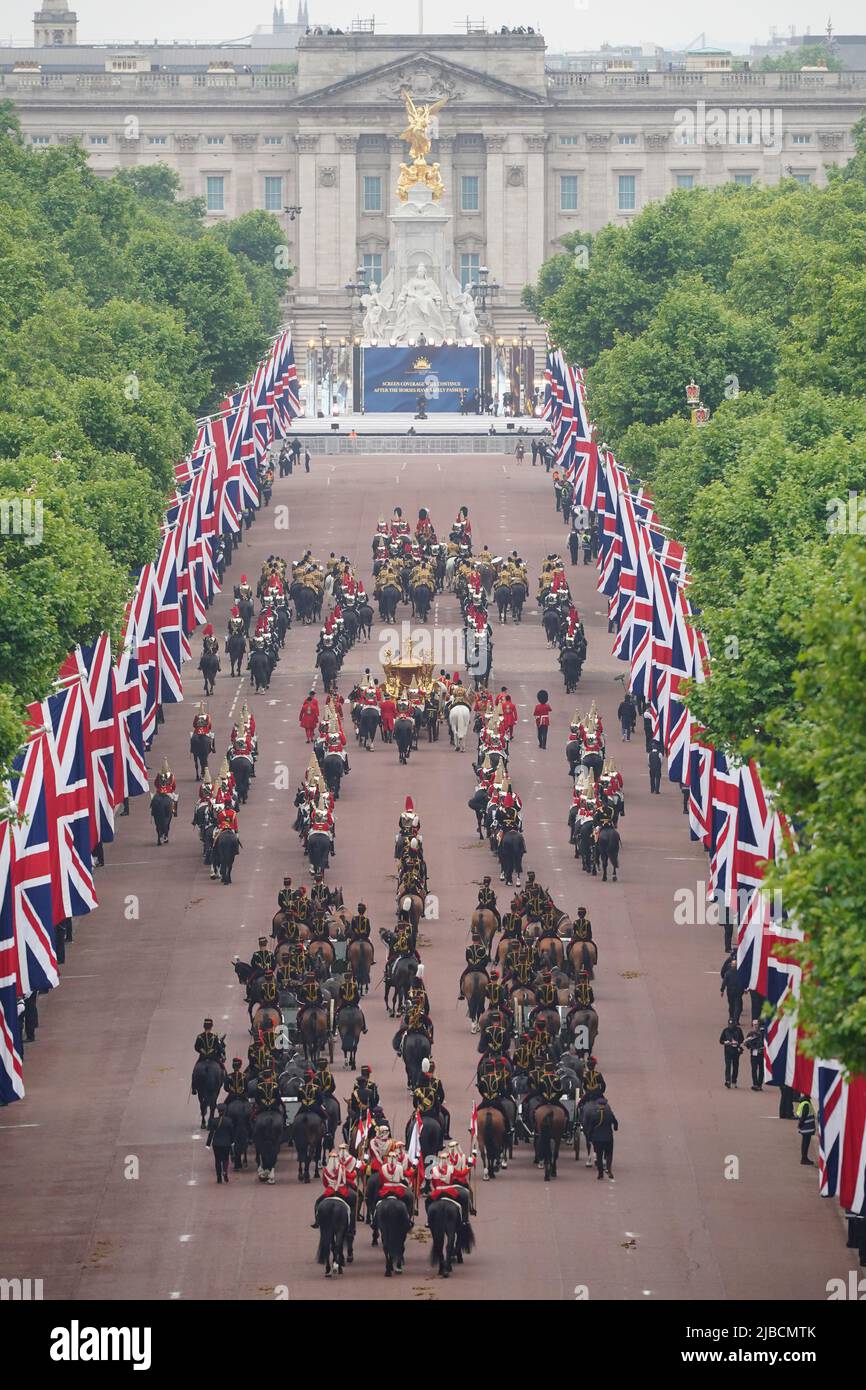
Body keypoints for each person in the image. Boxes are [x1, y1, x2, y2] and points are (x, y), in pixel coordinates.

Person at [582, 1094, 618, 1181]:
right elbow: (615, 1123)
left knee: (599, 1156)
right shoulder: (609, 1113)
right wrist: (615, 1128)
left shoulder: (594, 1114)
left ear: (598, 1104)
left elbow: (590, 1127)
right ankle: (608, 1169)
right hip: (608, 1137)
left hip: (597, 1138)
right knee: (609, 1154)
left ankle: (600, 1173)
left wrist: (589, 1137)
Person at [206, 1104, 235, 1184]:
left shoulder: (214, 1121)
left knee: (217, 1160)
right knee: (226, 1159)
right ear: (225, 1111)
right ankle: (225, 1171)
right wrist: (232, 1142)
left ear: (218, 1111)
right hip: (226, 1143)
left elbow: (211, 1133)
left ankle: (219, 1178)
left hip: (216, 1144)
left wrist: (208, 1144)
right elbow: (231, 1133)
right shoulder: (229, 1121)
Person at [719, 1019, 744, 1088]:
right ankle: (727, 1080)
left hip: (736, 1051)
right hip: (728, 1051)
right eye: (729, 1024)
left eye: (732, 1024)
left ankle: (734, 1081)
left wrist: (737, 1042)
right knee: (728, 1066)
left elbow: (742, 1039)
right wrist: (725, 1042)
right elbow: (721, 1040)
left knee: (735, 1066)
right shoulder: (725, 1030)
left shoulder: (738, 1030)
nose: (731, 1026)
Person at [796, 1093, 817, 1164]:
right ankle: (804, 1158)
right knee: (806, 1143)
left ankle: (804, 1157)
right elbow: (804, 1115)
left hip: (805, 1126)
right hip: (807, 1126)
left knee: (805, 1142)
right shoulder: (806, 1104)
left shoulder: (803, 1103)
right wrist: (800, 1124)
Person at [744, 1021, 764, 1091]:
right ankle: (755, 1084)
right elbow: (746, 1043)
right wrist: (750, 1045)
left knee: (761, 1070)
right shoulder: (751, 1034)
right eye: (754, 1025)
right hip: (754, 1054)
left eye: (757, 1024)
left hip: (762, 1054)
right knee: (754, 1069)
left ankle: (759, 1084)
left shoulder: (762, 1033)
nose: (755, 1026)